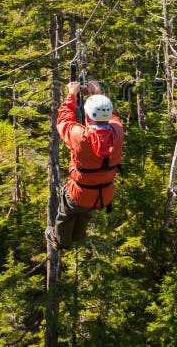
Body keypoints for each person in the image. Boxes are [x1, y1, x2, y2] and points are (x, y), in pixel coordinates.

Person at [45, 80, 124, 251]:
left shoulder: (80, 136)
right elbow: (112, 117)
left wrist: (71, 95)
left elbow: (63, 120)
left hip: (79, 193)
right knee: (85, 212)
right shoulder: (118, 131)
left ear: (87, 117)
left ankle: (60, 241)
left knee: (66, 214)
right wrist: (98, 94)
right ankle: (77, 237)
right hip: (103, 194)